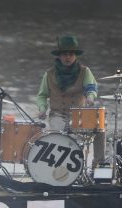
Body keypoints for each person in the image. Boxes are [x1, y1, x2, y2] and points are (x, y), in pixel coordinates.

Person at [35, 35, 105, 164]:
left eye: (71, 54)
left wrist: (90, 97)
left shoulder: (85, 71)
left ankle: (98, 166)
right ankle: (62, 168)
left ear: (75, 56)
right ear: (59, 56)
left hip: (79, 117)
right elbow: (42, 95)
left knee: (100, 129)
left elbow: (91, 88)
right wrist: (42, 109)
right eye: (65, 54)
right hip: (57, 116)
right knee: (63, 135)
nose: (68, 57)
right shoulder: (49, 74)